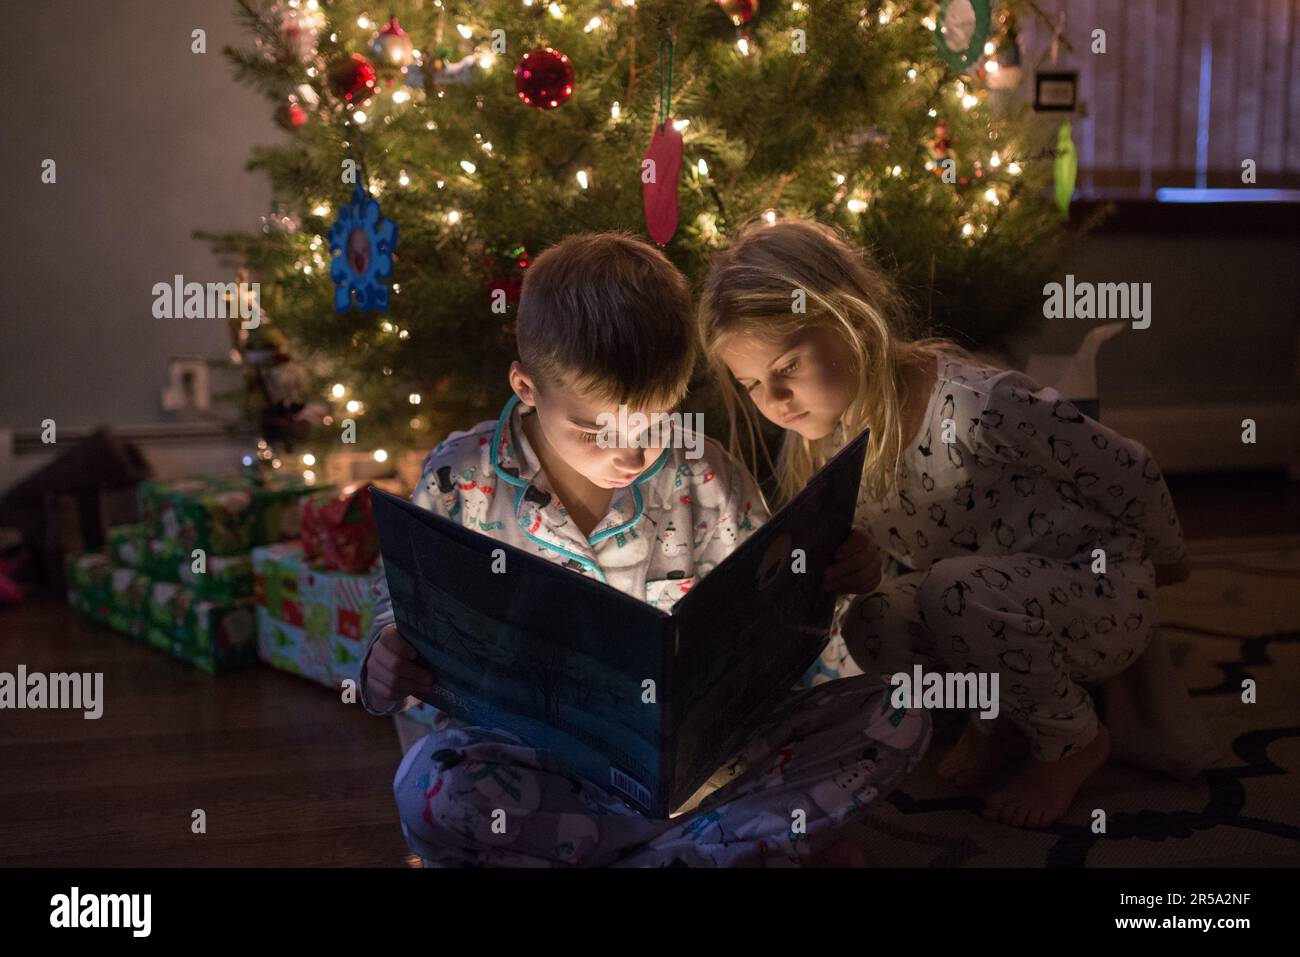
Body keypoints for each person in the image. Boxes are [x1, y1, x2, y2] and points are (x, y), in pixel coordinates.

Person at [360, 231, 931, 866]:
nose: (629, 456)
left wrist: (832, 580)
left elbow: (777, 633)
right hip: (544, 772)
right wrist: (385, 662)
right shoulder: (457, 477)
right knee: (431, 789)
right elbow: (400, 624)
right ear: (526, 387)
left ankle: (664, 850)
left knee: (898, 712)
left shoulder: (705, 474)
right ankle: (719, 850)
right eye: (593, 429)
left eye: (653, 422)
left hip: (705, 769)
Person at [698, 218, 1190, 829]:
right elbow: (889, 556)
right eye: (751, 384)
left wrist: (1170, 558)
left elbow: (1128, 468)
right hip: (986, 603)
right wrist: (863, 565)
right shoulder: (828, 443)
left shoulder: (980, 404)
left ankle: (1072, 741)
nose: (773, 400)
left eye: (789, 365)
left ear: (851, 319)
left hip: (1097, 590)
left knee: (952, 590)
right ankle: (1000, 720)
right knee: (872, 619)